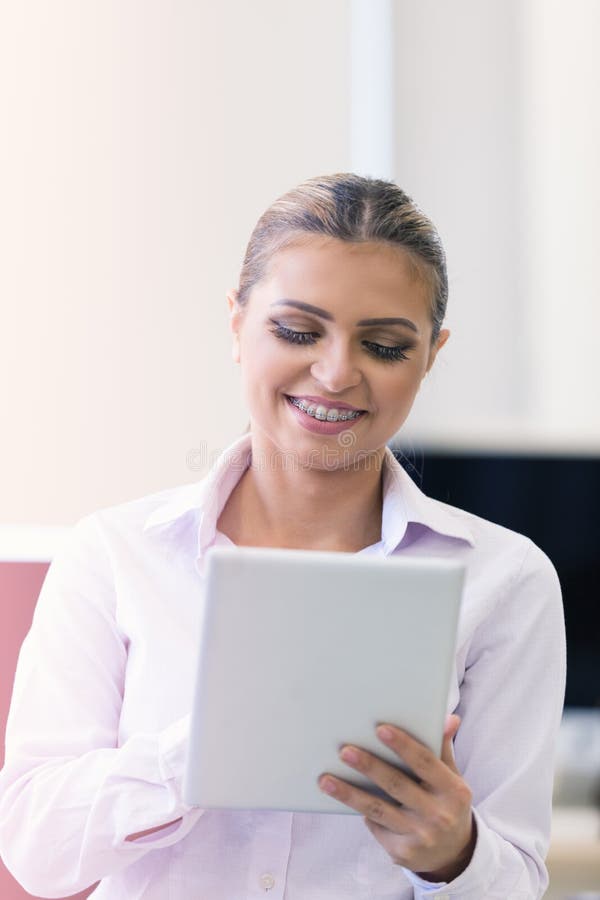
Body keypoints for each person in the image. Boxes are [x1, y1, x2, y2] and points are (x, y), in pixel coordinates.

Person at [0, 174, 566, 899]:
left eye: (386, 346)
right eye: (298, 332)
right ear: (236, 324)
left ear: (431, 354)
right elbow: (37, 852)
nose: (334, 374)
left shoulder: (504, 582)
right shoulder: (116, 553)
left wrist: (452, 854)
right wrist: (204, 746)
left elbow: (515, 880)